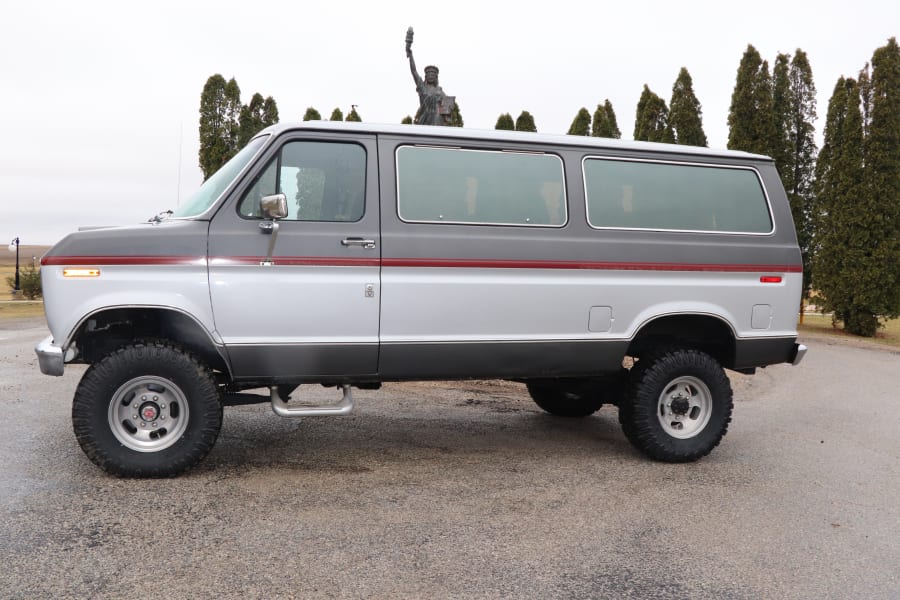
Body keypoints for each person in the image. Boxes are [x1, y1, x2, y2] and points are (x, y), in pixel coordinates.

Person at [406, 27, 455, 126]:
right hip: (424, 121)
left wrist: (446, 108)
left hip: (438, 123)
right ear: (426, 76)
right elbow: (414, 71)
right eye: (429, 74)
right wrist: (410, 54)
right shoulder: (422, 87)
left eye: (433, 74)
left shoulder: (440, 91)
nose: (431, 75)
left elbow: (447, 111)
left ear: (436, 77)